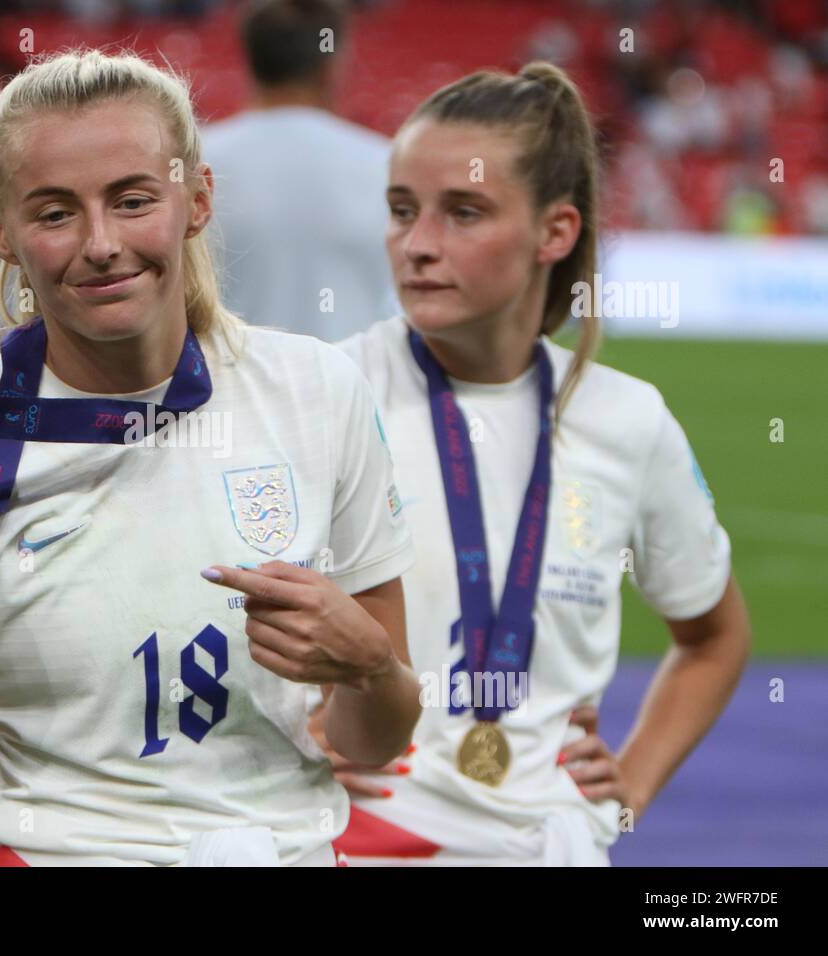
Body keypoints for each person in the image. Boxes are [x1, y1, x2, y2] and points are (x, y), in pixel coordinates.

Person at [0, 49, 423, 867]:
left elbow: (374, 742)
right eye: (55, 212)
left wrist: (373, 668)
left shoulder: (318, 392)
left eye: (133, 201)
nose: (101, 244)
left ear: (197, 198)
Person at [323, 62, 751, 865]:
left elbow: (714, 634)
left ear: (554, 232)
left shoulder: (627, 420)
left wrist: (632, 785)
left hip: (548, 843)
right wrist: (296, 717)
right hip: (358, 838)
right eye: (401, 210)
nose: (417, 245)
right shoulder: (325, 391)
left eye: (464, 213)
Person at [200, 0, 395, 339]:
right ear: (330, 67)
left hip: (231, 379)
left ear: (251, 60)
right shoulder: (388, 163)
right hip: (356, 381)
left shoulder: (196, 162)